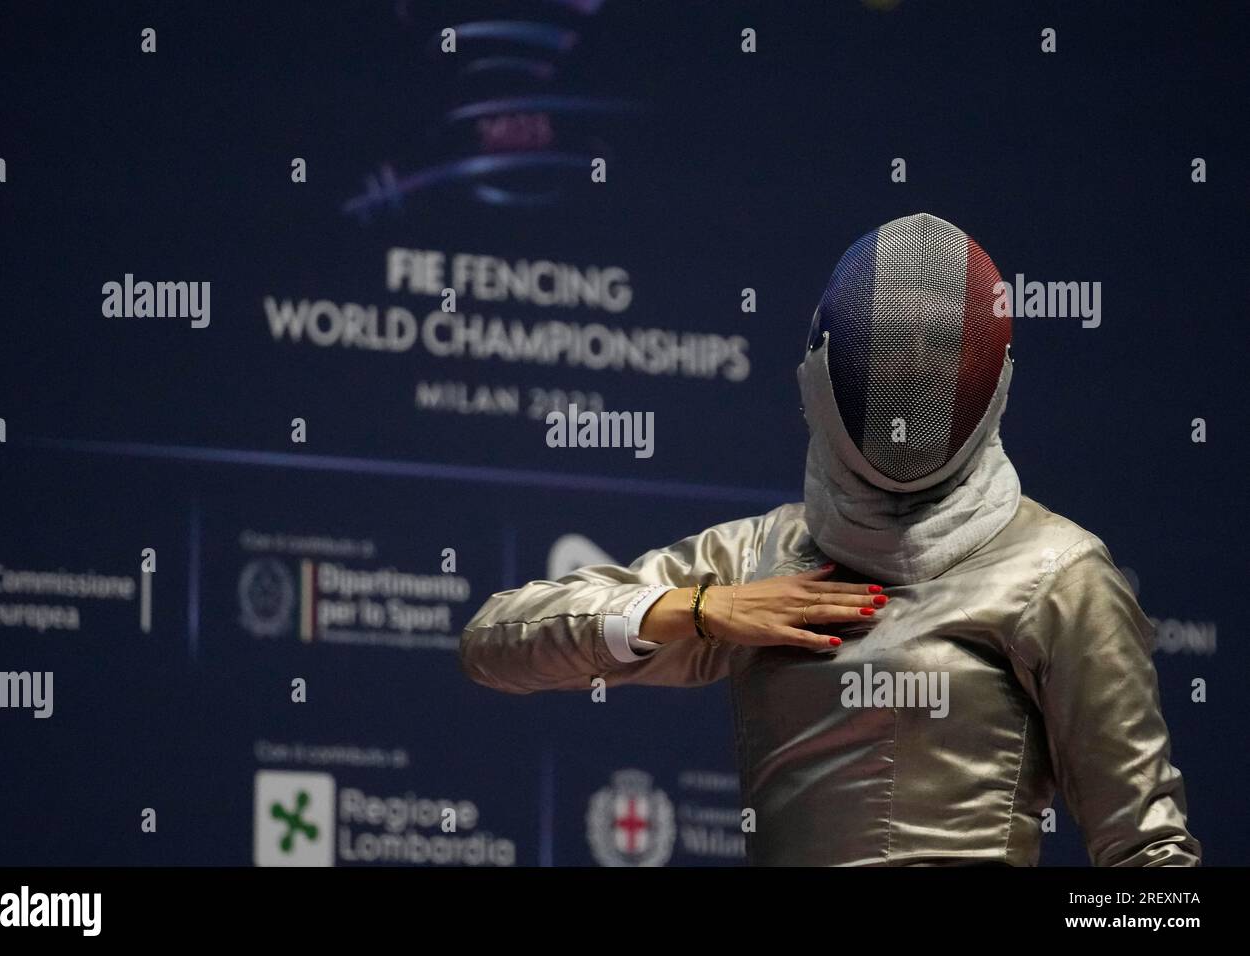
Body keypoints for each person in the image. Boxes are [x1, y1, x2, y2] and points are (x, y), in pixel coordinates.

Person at [459, 213, 1200, 866]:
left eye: (935, 361)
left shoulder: (1058, 572)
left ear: (989, 382)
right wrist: (702, 608)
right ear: (824, 370)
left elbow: (1149, 857)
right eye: (884, 356)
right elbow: (494, 643)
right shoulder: (757, 559)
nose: (908, 385)